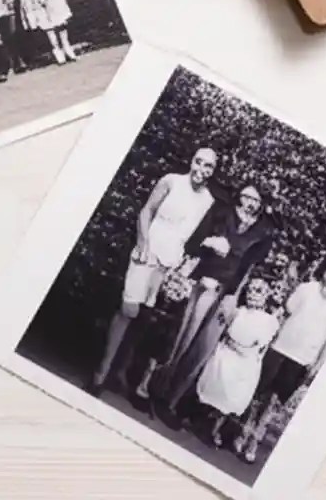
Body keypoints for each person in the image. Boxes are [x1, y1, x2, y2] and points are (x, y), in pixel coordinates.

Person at [88, 147, 218, 395]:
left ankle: (118, 373)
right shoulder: (171, 181)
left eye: (208, 165)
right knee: (129, 309)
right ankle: (99, 373)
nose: (201, 169)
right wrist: (142, 244)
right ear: (191, 161)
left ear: (213, 171)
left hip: (169, 261)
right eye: (198, 161)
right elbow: (146, 211)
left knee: (145, 317)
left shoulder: (208, 200)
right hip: (147, 250)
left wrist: (189, 261)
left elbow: (192, 235)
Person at [145, 184, 278, 421]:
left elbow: (247, 270)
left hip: (225, 294)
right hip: (200, 284)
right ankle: (152, 387)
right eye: (246, 196)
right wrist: (210, 243)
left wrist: (232, 298)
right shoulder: (221, 212)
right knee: (180, 339)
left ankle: (171, 401)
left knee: (203, 349)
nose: (249, 202)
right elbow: (192, 243)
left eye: (255, 200)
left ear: (261, 204)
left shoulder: (263, 232)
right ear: (238, 196)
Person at [236, 257, 326, 464]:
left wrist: (318, 364)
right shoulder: (307, 289)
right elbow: (286, 313)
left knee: (275, 402)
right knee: (259, 393)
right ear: (324, 271)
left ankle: (255, 440)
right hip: (280, 348)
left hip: (302, 358)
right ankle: (242, 433)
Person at [194, 278, 280, 449]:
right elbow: (226, 332)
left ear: (266, 296)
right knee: (215, 376)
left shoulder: (269, 320)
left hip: (245, 359)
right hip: (227, 353)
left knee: (234, 393)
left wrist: (243, 349)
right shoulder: (238, 312)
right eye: (250, 290)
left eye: (258, 291)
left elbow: (260, 345)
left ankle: (215, 428)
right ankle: (201, 418)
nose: (253, 295)